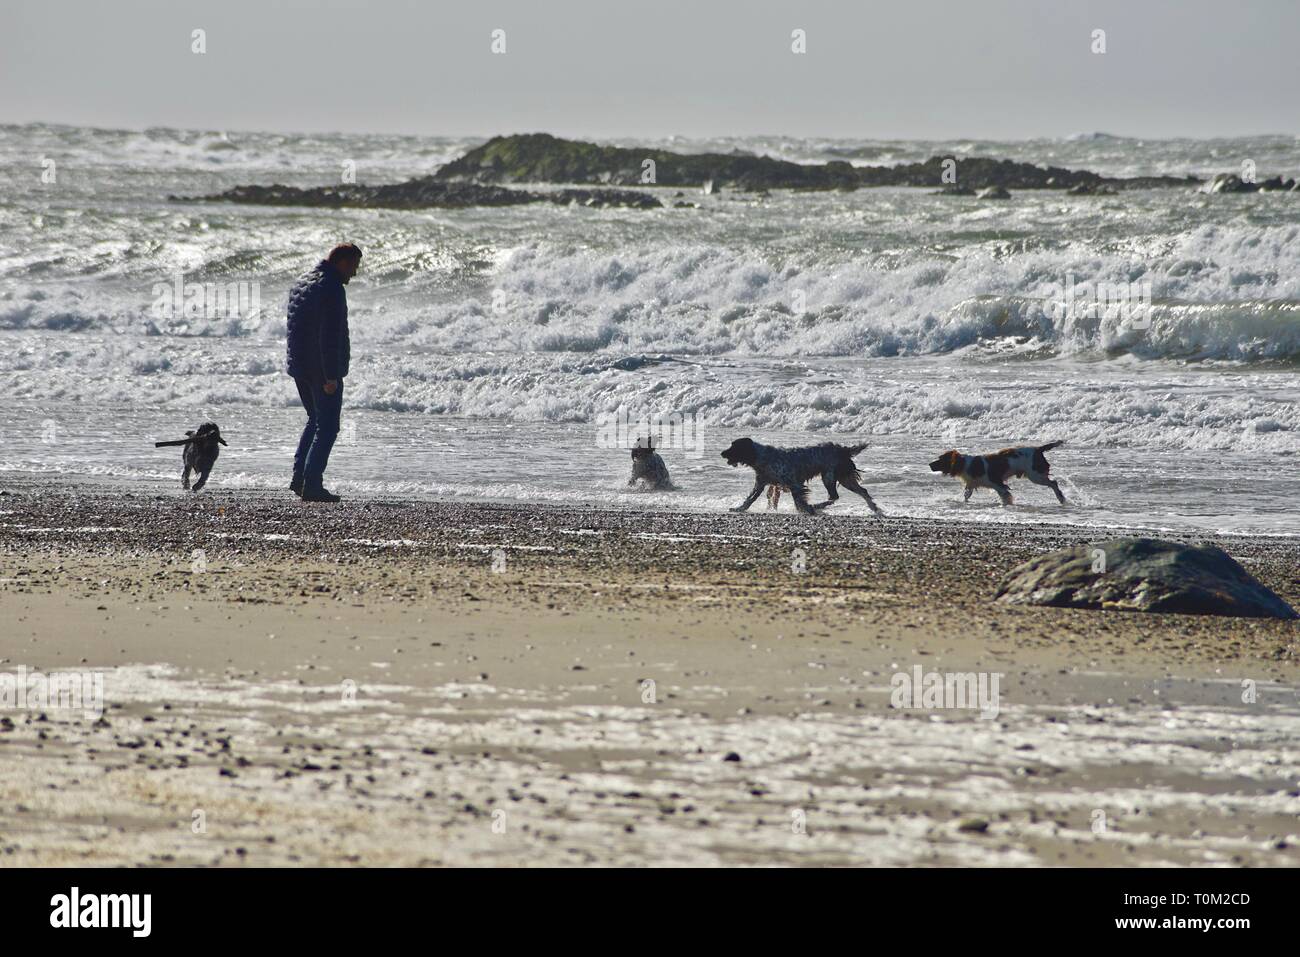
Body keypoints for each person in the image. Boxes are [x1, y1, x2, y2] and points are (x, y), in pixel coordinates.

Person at [285, 243, 360, 502]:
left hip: (299, 365)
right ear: (342, 262)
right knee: (327, 427)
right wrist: (330, 376)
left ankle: (299, 479)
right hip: (321, 369)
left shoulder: (302, 281)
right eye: (353, 266)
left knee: (315, 419)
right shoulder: (332, 288)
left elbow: (295, 329)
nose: (354, 273)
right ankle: (312, 485)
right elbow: (329, 335)